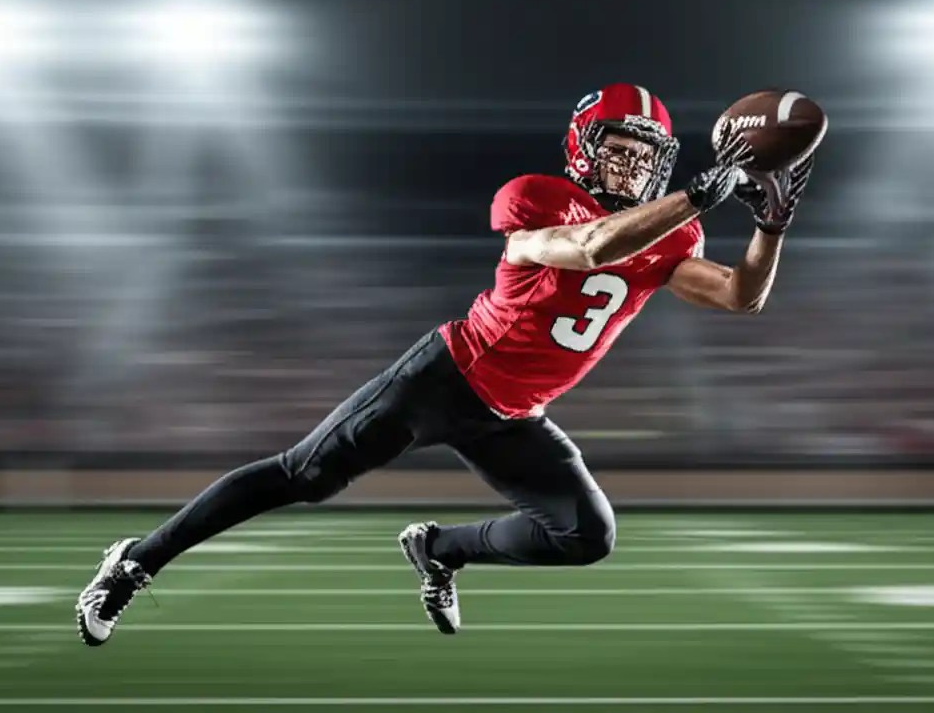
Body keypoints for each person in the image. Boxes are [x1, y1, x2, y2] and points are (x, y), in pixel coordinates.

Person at [76, 82, 814, 645]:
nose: (632, 166)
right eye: (618, 149)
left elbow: (741, 298)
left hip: (514, 414)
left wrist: (771, 226)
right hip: (443, 380)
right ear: (583, 149)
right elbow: (590, 249)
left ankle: (438, 548)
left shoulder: (670, 236)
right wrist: (692, 198)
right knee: (302, 476)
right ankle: (135, 561)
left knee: (588, 537)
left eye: (646, 156)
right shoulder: (534, 198)